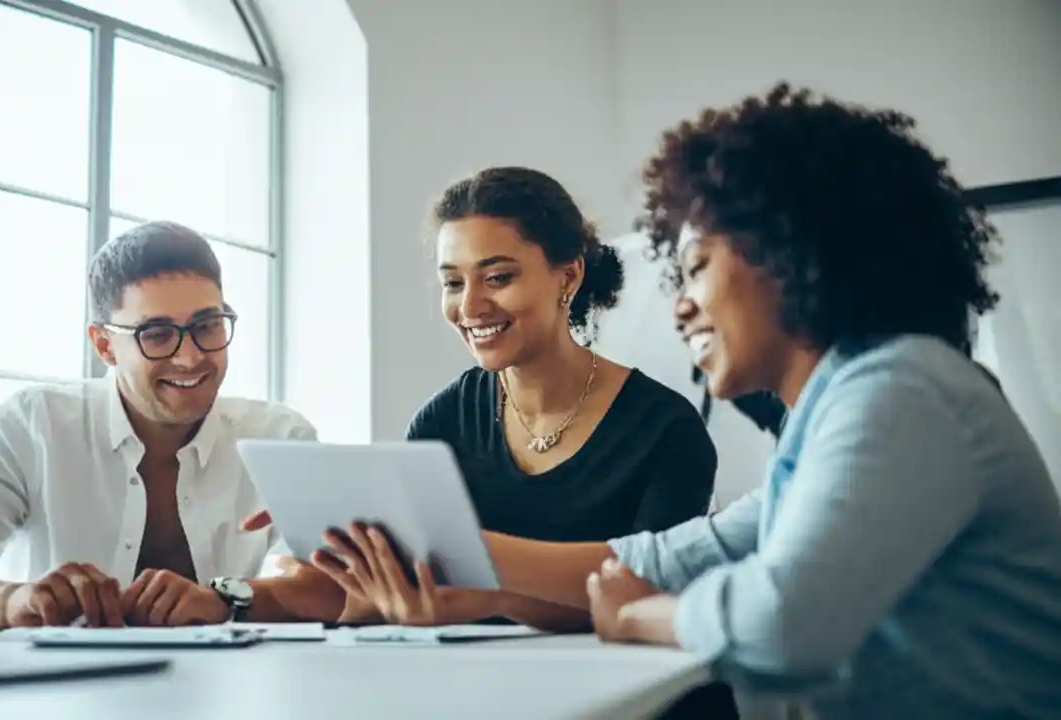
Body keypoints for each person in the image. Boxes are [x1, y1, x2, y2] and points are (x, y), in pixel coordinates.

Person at [325, 85, 1061, 719]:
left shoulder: (902, 390)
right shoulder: (834, 416)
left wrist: (641, 615)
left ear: (790, 257)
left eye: (697, 267)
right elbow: (671, 555)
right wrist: (448, 560)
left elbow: (782, 622)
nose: (680, 308)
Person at [284, 167, 737, 717]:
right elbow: (400, 587)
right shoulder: (442, 421)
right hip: (489, 700)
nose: (470, 307)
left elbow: (649, 597)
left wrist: (483, 600)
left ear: (568, 276)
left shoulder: (667, 429)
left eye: (497, 277)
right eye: (453, 283)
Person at [0, 221, 340, 631]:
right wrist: (13, 601)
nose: (189, 356)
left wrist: (225, 601)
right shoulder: (35, 426)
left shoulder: (282, 438)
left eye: (207, 326)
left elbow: (339, 590)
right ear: (104, 346)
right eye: (157, 334)